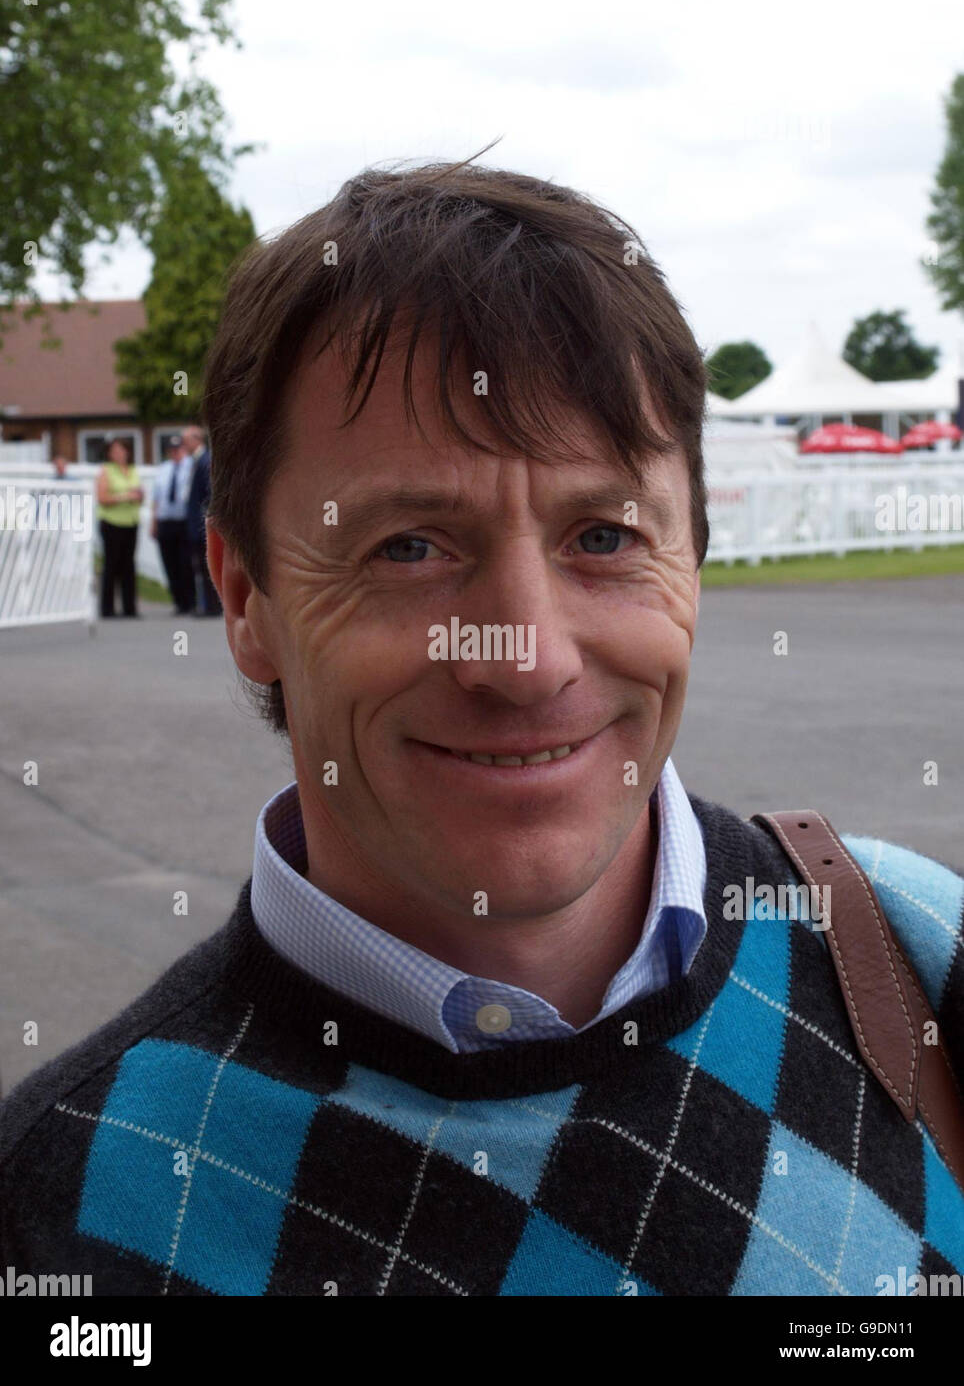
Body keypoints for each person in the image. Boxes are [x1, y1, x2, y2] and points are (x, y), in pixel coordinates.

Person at [1, 160, 961, 1298]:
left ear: (692, 560)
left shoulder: (905, 953)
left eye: (603, 536)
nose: (528, 658)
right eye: (409, 547)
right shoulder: (56, 1212)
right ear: (245, 596)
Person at [94, 436, 142, 618]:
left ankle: (130, 607)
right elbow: (103, 498)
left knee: (129, 565)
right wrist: (125, 496)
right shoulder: (106, 471)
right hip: (112, 523)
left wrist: (138, 496)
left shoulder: (132, 470)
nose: (118, 454)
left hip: (130, 521)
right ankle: (107, 608)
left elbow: (138, 493)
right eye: (114, 451)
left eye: (121, 450)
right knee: (111, 565)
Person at [150, 433, 195, 615]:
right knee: (169, 563)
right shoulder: (163, 469)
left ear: (183, 449)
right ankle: (178, 601)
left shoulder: (191, 467)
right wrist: (154, 523)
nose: (175, 453)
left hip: (182, 521)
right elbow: (156, 499)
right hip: (165, 521)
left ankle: (190, 600)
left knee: (185, 563)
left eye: (178, 449)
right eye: (172, 450)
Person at [184, 423, 222, 617]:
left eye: (186, 440)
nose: (184, 444)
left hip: (201, 525)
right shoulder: (197, 461)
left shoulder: (204, 461)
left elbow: (208, 495)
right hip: (196, 524)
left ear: (196, 440)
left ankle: (210, 606)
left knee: (206, 567)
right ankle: (206, 604)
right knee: (200, 566)